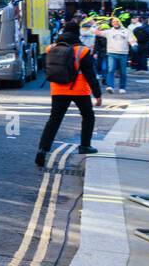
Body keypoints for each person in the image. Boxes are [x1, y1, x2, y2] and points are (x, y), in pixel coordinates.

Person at [36, 24, 103, 166]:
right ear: (77, 33)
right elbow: (90, 75)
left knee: (54, 120)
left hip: (58, 89)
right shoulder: (83, 50)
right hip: (80, 90)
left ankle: (43, 149)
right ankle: (85, 145)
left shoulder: (52, 48)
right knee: (88, 116)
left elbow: (46, 68)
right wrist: (97, 95)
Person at [101, 17, 133, 93]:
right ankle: (110, 86)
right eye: (114, 22)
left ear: (120, 22)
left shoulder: (127, 31)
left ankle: (122, 87)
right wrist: (95, 25)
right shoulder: (109, 31)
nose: (115, 23)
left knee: (123, 72)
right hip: (111, 53)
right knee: (111, 69)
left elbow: (131, 40)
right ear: (112, 23)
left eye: (117, 21)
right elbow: (96, 32)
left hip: (123, 53)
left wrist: (134, 45)